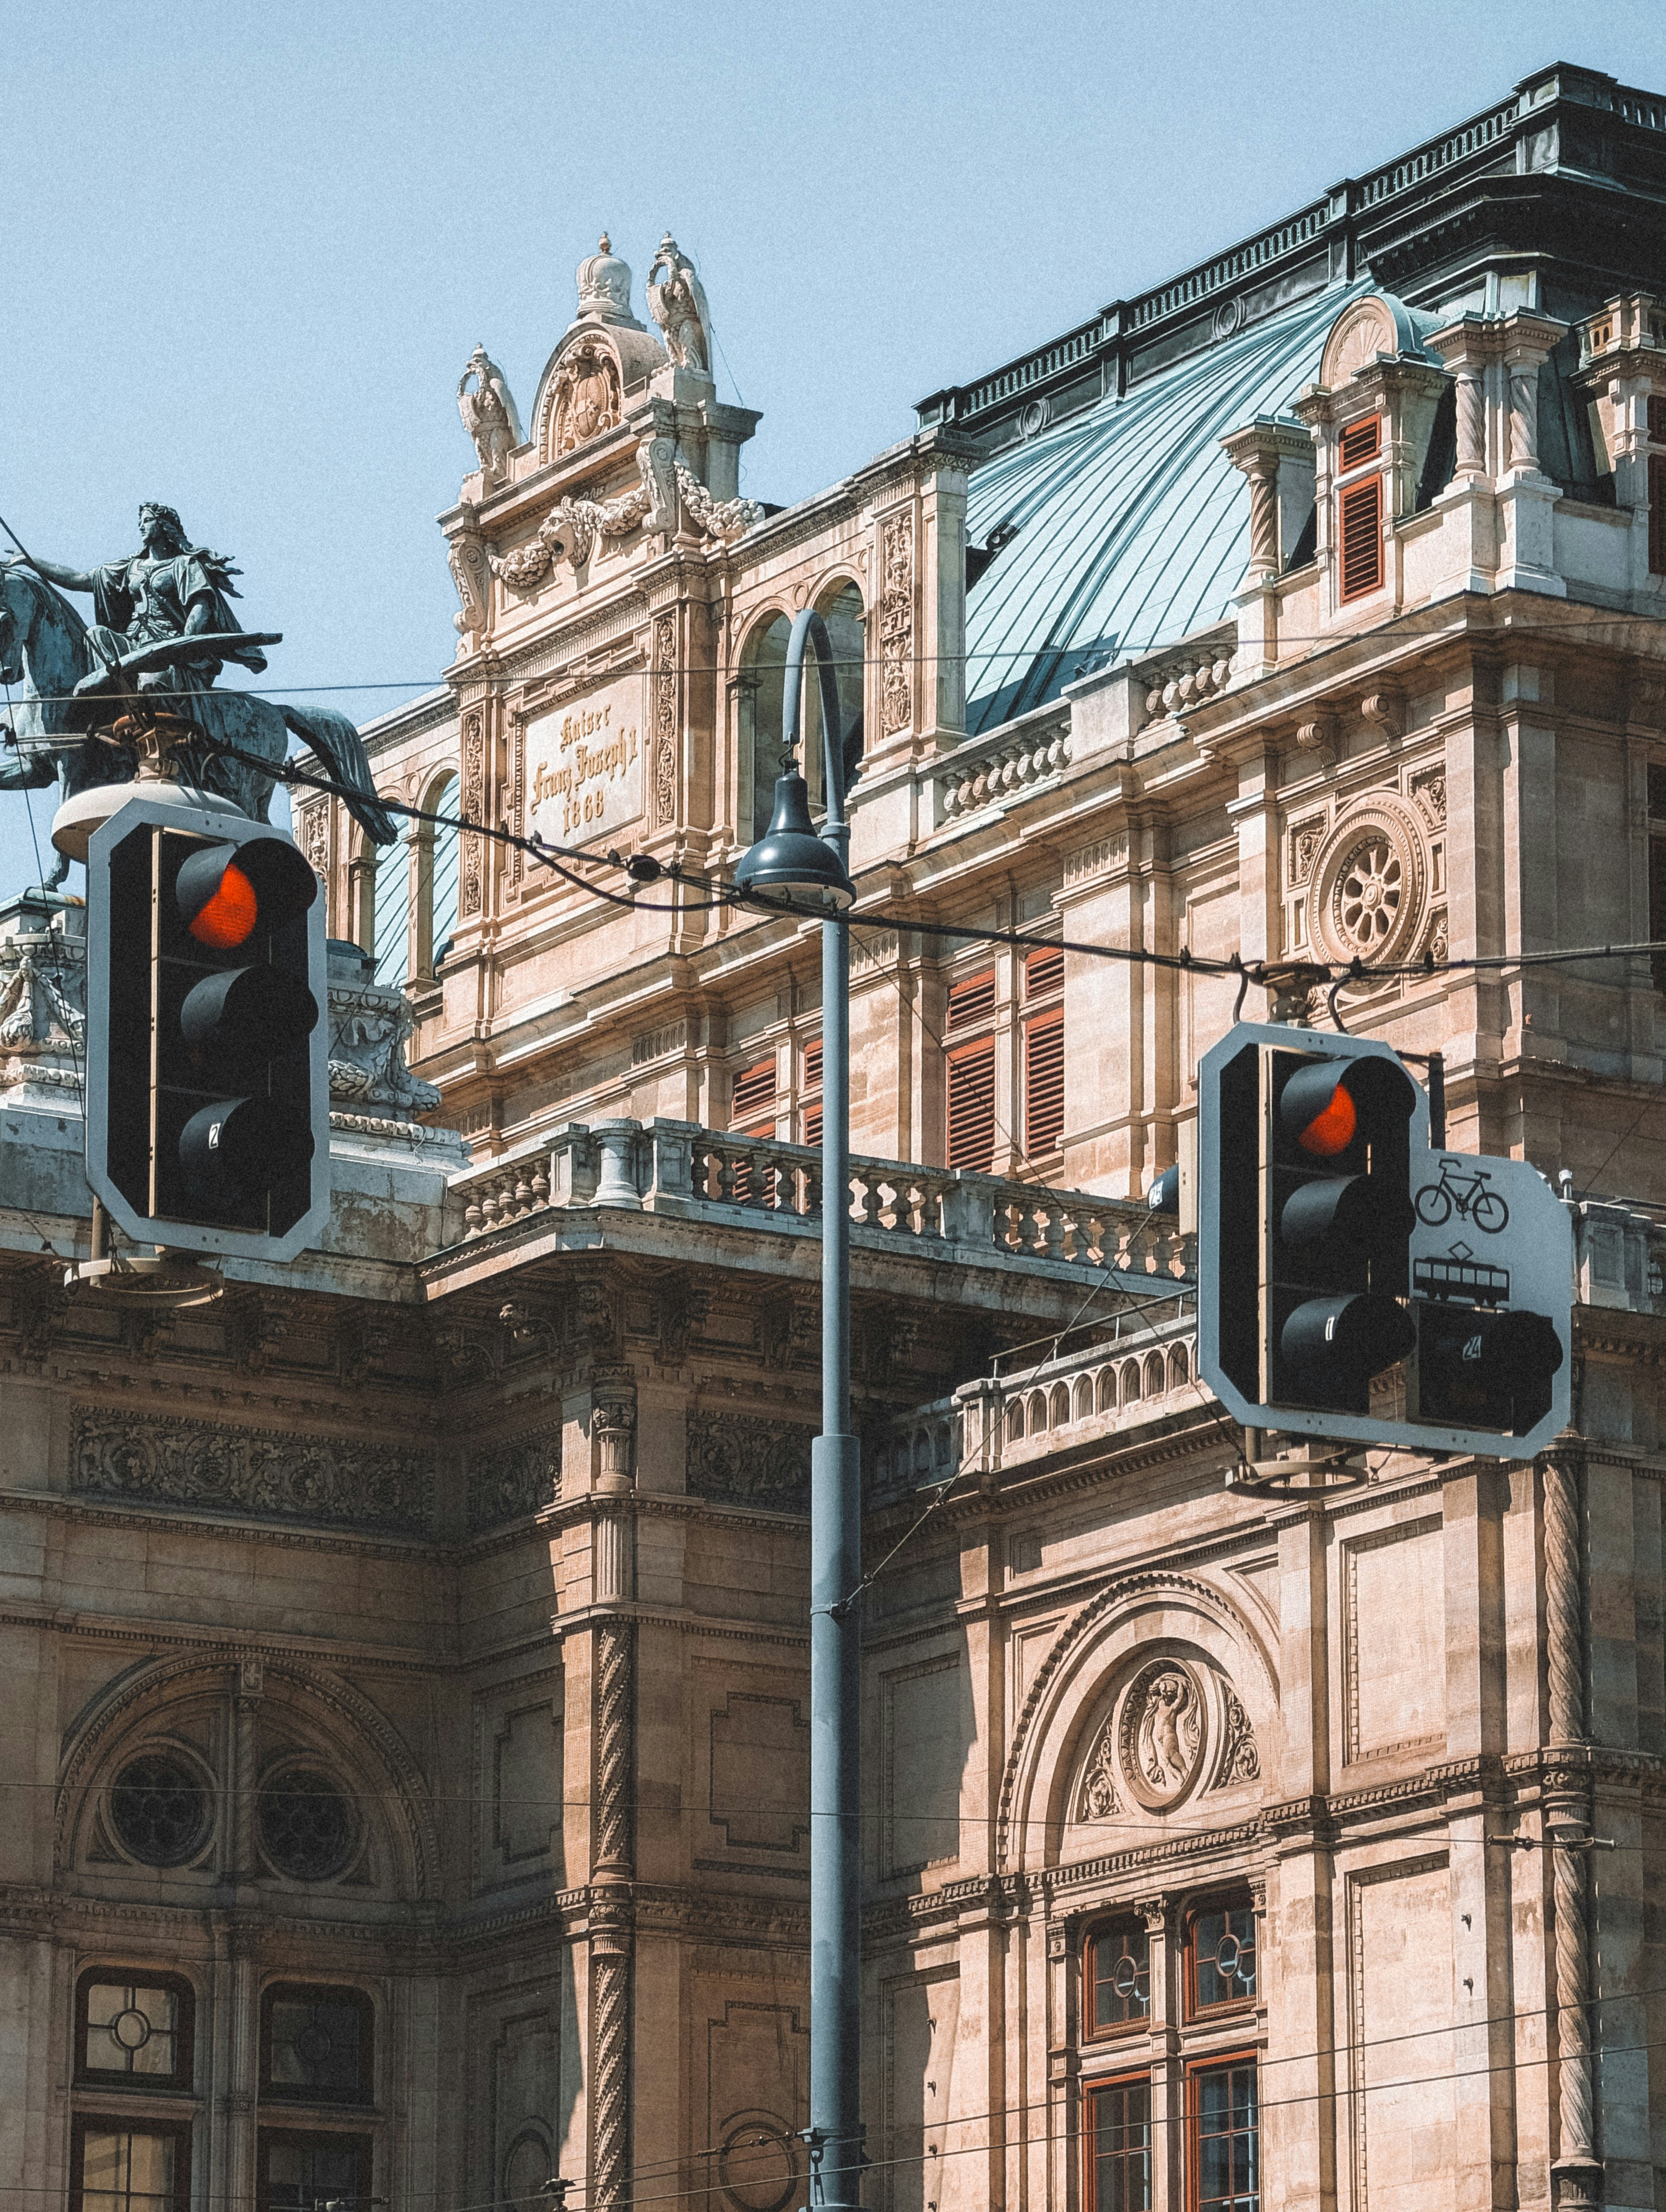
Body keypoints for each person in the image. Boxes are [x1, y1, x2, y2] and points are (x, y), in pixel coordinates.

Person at [27, 503, 268, 702]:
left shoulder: (184, 565)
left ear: (164, 526)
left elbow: (201, 607)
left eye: (147, 520)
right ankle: (110, 699)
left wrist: (183, 644)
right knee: (98, 634)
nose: (141, 526)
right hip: (135, 645)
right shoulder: (131, 567)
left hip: (169, 649)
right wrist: (31, 562)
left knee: (152, 681)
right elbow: (79, 579)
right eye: (140, 522)